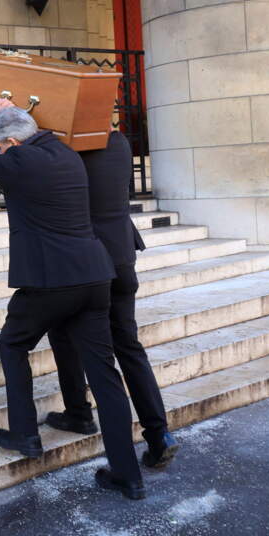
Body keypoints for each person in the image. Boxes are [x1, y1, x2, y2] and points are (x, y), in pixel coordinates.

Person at [0, 101, 146, 500]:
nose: (0, 153)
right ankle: (127, 473)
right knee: (105, 374)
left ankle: (24, 434)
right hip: (95, 275)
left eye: (1, 146)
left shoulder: (20, 162)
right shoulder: (64, 153)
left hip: (50, 280)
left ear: (11, 141)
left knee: (12, 343)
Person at [44, 129, 179, 470]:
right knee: (129, 347)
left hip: (87, 260)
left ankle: (79, 413)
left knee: (68, 336)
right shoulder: (118, 141)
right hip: (122, 254)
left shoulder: (63, 150)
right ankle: (158, 433)